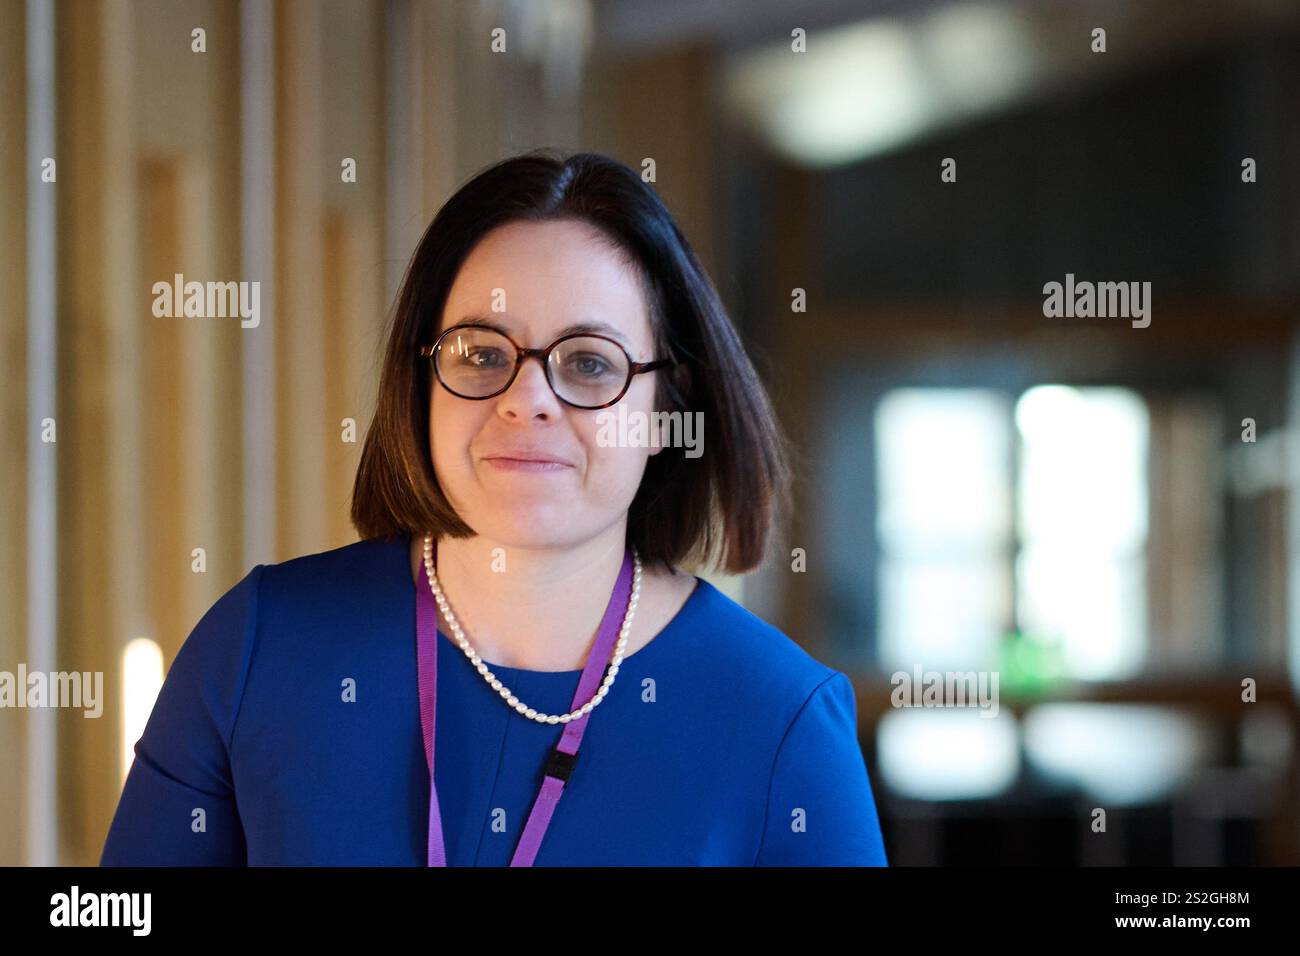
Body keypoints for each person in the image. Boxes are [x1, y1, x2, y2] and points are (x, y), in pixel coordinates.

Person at [100, 149, 888, 866]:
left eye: (588, 363)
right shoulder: (258, 649)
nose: (526, 400)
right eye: (481, 353)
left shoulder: (781, 721)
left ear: (665, 408)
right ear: (422, 380)